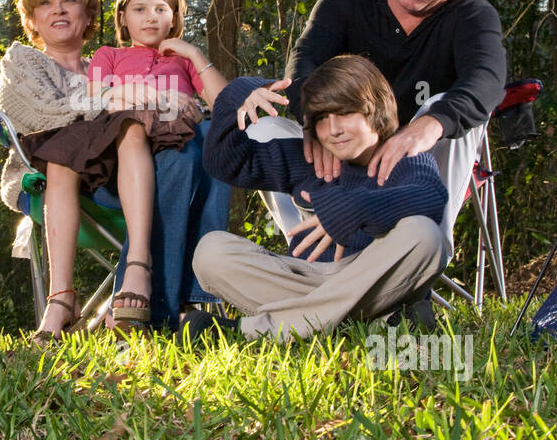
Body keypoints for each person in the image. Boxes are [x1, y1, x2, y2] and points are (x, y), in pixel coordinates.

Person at [0, 0, 230, 339]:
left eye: (69, 1)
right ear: (32, 17)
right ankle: (81, 299)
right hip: (54, 181)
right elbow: (42, 113)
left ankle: (175, 301)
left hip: (121, 180)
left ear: (88, 15)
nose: (58, 10)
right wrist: (125, 95)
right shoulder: (23, 60)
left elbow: (166, 114)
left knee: (195, 147)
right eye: (45, 3)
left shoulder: (110, 64)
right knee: (91, 146)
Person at [191, 56, 449, 341]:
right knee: (210, 251)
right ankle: (375, 322)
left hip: (372, 276)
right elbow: (224, 163)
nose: (334, 129)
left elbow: (430, 197)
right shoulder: (311, 159)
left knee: (425, 235)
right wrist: (238, 94)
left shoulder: (404, 158)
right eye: (323, 118)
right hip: (308, 277)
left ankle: (250, 332)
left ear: (375, 109)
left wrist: (353, 209)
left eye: (346, 113)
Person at [278, 0, 506, 203]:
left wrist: (432, 124)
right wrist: (316, 122)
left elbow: (486, 80)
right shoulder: (345, 1)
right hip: (342, 150)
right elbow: (303, 64)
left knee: (449, 112)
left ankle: (428, 243)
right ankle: (303, 241)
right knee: (266, 130)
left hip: (422, 162)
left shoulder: (472, 16)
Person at [89, 0, 228, 150]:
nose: (151, 17)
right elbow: (92, 95)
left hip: (180, 135)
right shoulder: (109, 54)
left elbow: (226, 105)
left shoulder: (183, 60)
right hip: (127, 139)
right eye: (139, 9)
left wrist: (195, 54)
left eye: (161, 9)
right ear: (123, 18)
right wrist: (128, 91)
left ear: (173, 20)